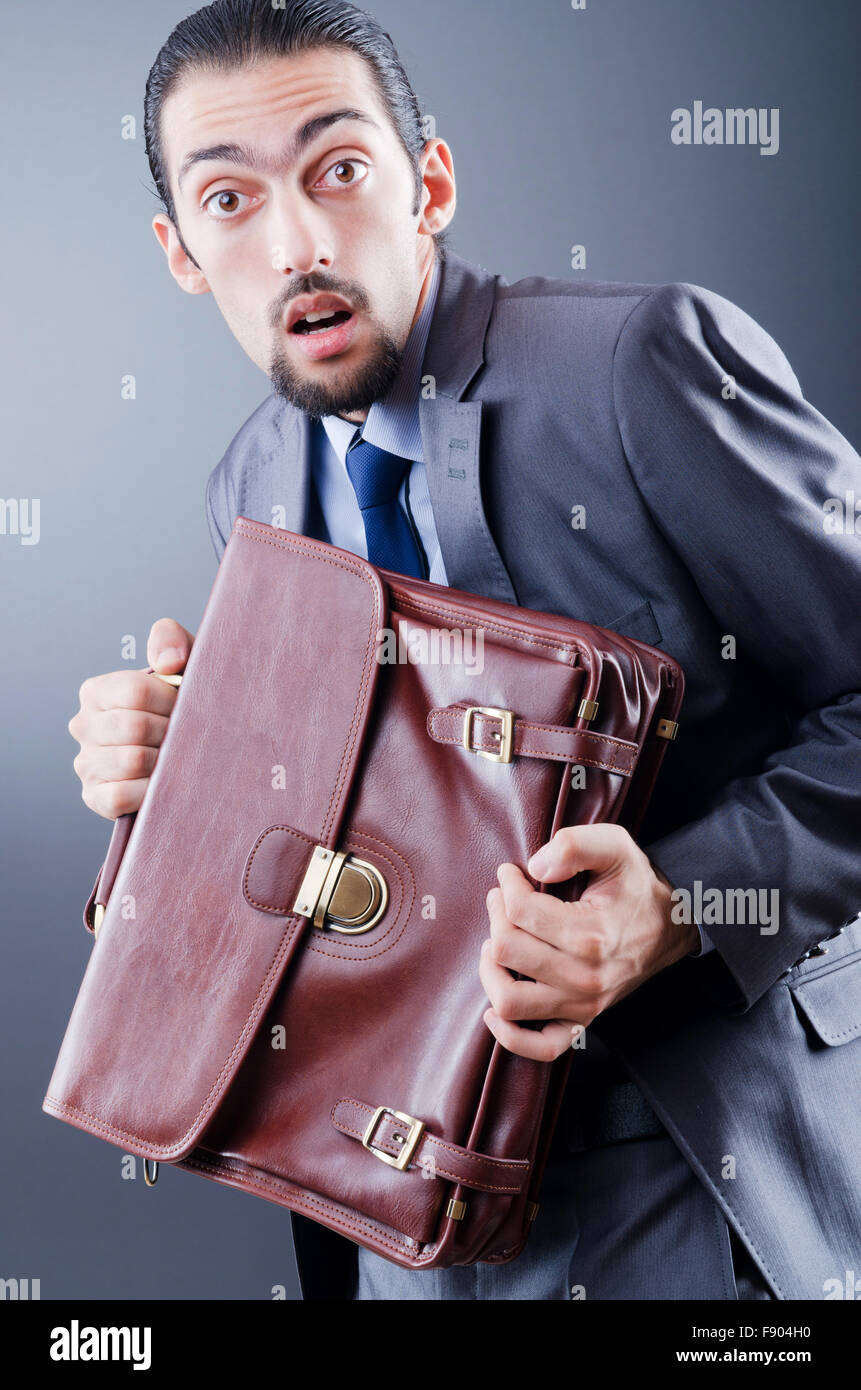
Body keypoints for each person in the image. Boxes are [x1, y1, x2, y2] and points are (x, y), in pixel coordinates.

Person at [68, 0, 861, 1301]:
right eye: (230, 200)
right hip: (406, 1224)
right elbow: (339, 848)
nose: (300, 242)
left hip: (702, 1187)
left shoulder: (639, 361)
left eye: (339, 170)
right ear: (181, 253)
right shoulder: (249, 485)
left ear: (428, 181)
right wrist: (182, 781)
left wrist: (674, 909)